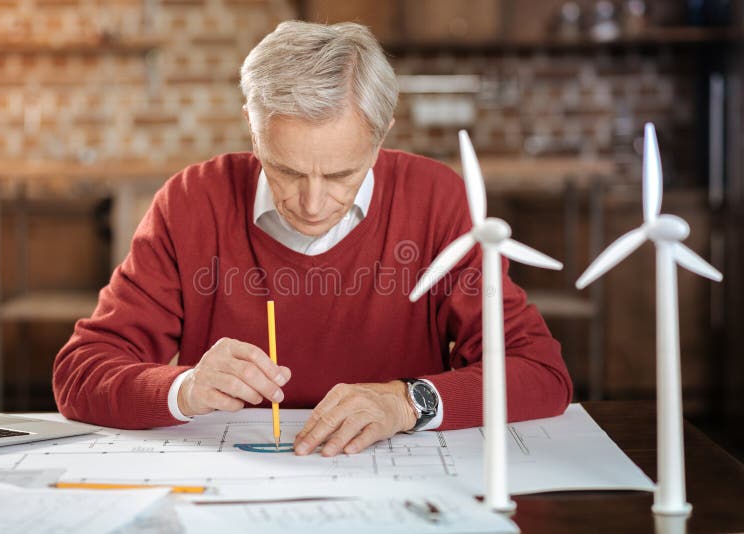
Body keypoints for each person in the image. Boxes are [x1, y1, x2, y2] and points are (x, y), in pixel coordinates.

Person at [53, 20, 572, 457]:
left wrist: (407, 402)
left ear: (380, 136)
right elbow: (79, 374)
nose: (312, 203)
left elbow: (540, 373)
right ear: (253, 133)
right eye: (286, 170)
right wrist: (183, 388)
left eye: (342, 174)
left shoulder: (436, 198)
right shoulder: (193, 201)